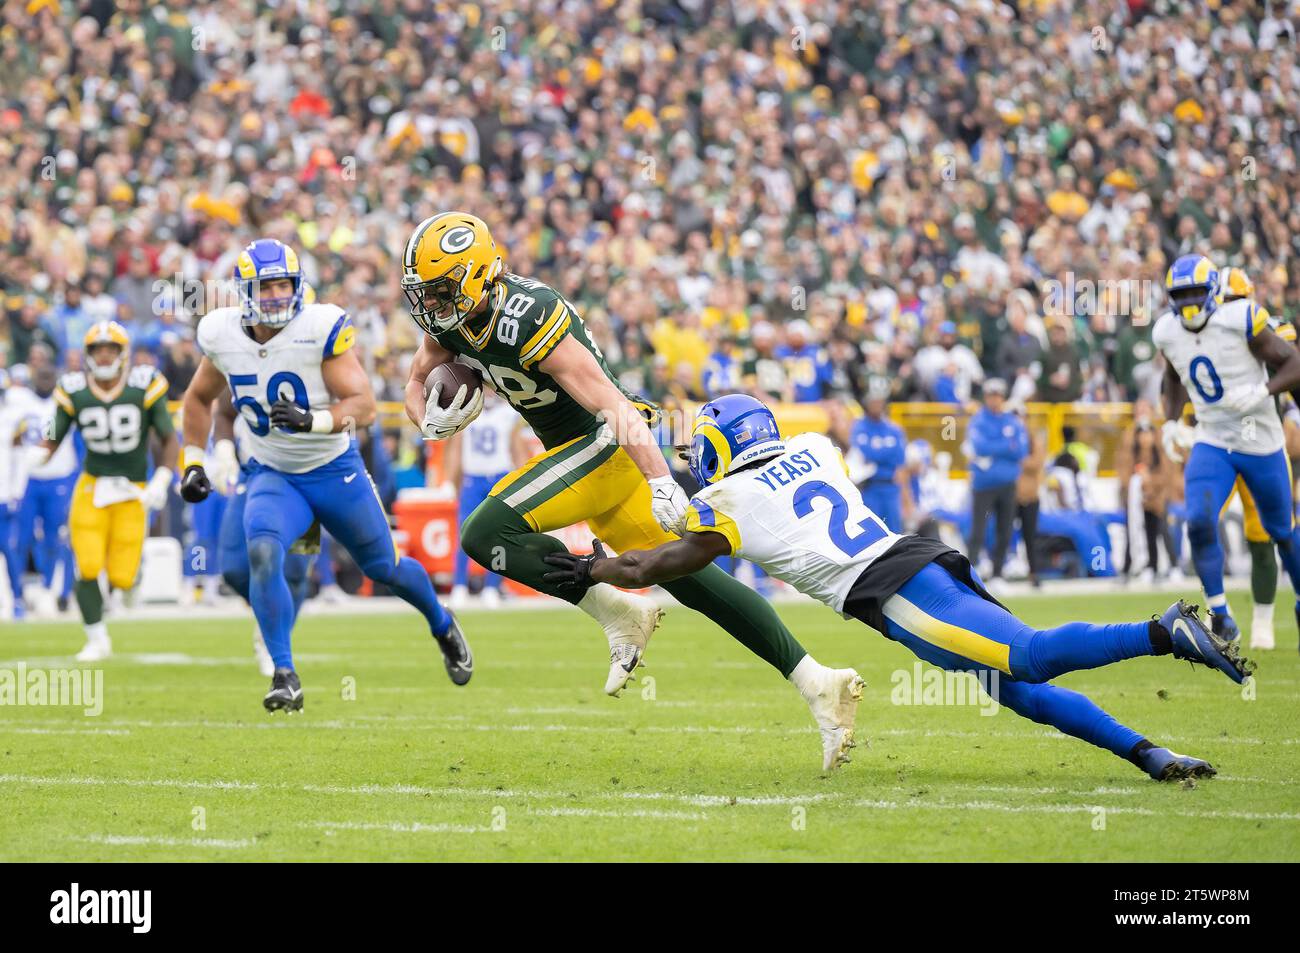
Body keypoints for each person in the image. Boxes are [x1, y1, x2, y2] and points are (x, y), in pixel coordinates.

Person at [543, 394, 1255, 782]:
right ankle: (1149, 754)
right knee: (1018, 690)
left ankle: (1163, 632)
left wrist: (582, 571)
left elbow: (650, 565)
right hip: (922, 558)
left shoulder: (728, 502)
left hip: (896, 594)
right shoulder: (813, 448)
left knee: (1031, 659)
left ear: (719, 449)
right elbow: (743, 498)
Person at [400, 212, 862, 770]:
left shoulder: (528, 315)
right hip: (581, 459)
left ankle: (617, 611)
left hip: (607, 443)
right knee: (688, 574)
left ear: (478, 276)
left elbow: (612, 406)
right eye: (427, 294)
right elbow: (416, 378)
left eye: (443, 291)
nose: (434, 305)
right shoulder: (452, 321)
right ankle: (819, 683)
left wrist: (661, 477)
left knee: (485, 531)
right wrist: (427, 421)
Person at [178, 238, 471, 711]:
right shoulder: (221, 334)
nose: (276, 295)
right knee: (261, 552)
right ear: (245, 291)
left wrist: (311, 419)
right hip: (274, 472)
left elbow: (366, 408)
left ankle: (441, 622)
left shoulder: (318, 327)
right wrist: (194, 459)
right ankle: (283, 673)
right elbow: (198, 398)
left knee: (385, 568)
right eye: (266, 286)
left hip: (333, 468)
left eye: (283, 285)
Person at [1155, 254, 1300, 643]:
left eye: (1195, 294)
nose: (1188, 303)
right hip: (1214, 436)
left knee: (1281, 533)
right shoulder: (1167, 331)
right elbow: (1173, 378)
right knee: (1199, 519)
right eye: (1180, 295)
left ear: (1213, 293)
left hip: (1260, 438)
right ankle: (1220, 614)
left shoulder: (1243, 318)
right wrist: (1170, 420)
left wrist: (1262, 390)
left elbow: (1294, 364)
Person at [36, 322, 178, 660]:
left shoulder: (145, 384)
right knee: (86, 566)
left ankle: (133, 575)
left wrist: (162, 477)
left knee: (122, 577)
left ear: (122, 353)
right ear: (86, 355)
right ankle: (96, 638)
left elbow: (168, 437)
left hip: (132, 489)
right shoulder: (72, 388)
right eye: (97, 349)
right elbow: (52, 431)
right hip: (93, 486)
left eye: (110, 349)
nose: (103, 355)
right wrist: (37, 451)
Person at [445, 391, 523, 608]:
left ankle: (492, 586)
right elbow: (456, 449)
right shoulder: (467, 412)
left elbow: (516, 449)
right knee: (464, 532)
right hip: (473, 477)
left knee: (498, 536)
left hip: (500, 476)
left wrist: (524, 479)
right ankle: (459, 585)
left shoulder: (509, 413)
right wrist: (450, 481)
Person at [964, 378, 1027, 584]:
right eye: (991, 396)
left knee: (1005, 529)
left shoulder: (1011, 421)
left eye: (998, 396)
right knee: (978, 530)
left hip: (1007, 483)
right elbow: (980, 447)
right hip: (983, 484)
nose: (995, 400)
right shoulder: (979, 420)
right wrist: (1005, 446)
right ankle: (970, 574)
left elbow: (1020, 450)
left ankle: (998, 573)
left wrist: (996, 448)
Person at [848, 378, 906, 532]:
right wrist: (886, 451)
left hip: (891, 487)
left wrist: (877, 453)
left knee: (895, 533)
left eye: (880, 401)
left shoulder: (894, 429)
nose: (877, 405)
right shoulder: (859, 426)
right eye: (874, 401)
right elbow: (867, 452)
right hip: (870, 487)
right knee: (873, 533)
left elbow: (899, 457)